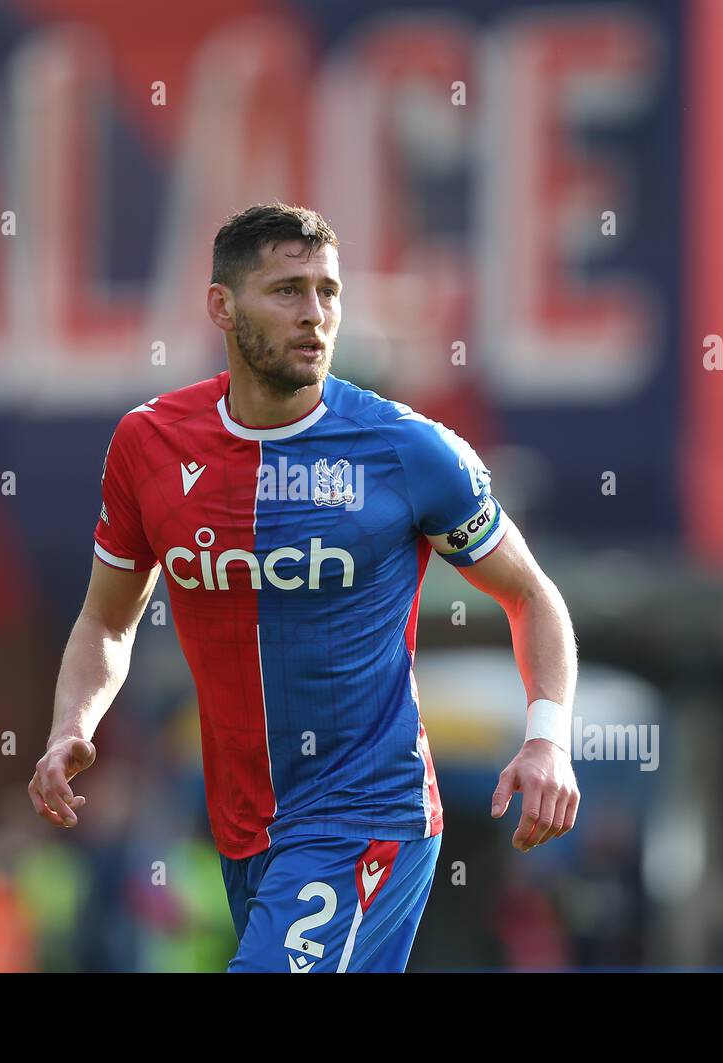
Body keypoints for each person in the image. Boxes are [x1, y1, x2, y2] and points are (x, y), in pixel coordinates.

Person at [29, 202, 580, 972]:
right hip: (244, 825)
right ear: (223, 306)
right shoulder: (148, 445)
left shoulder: (408, 450)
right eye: (288, 290)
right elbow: (106, 622)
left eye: (329, 291)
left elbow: (531, 593)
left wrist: (548, 738)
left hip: (367, 810)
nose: (315, 314)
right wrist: (70, 723)